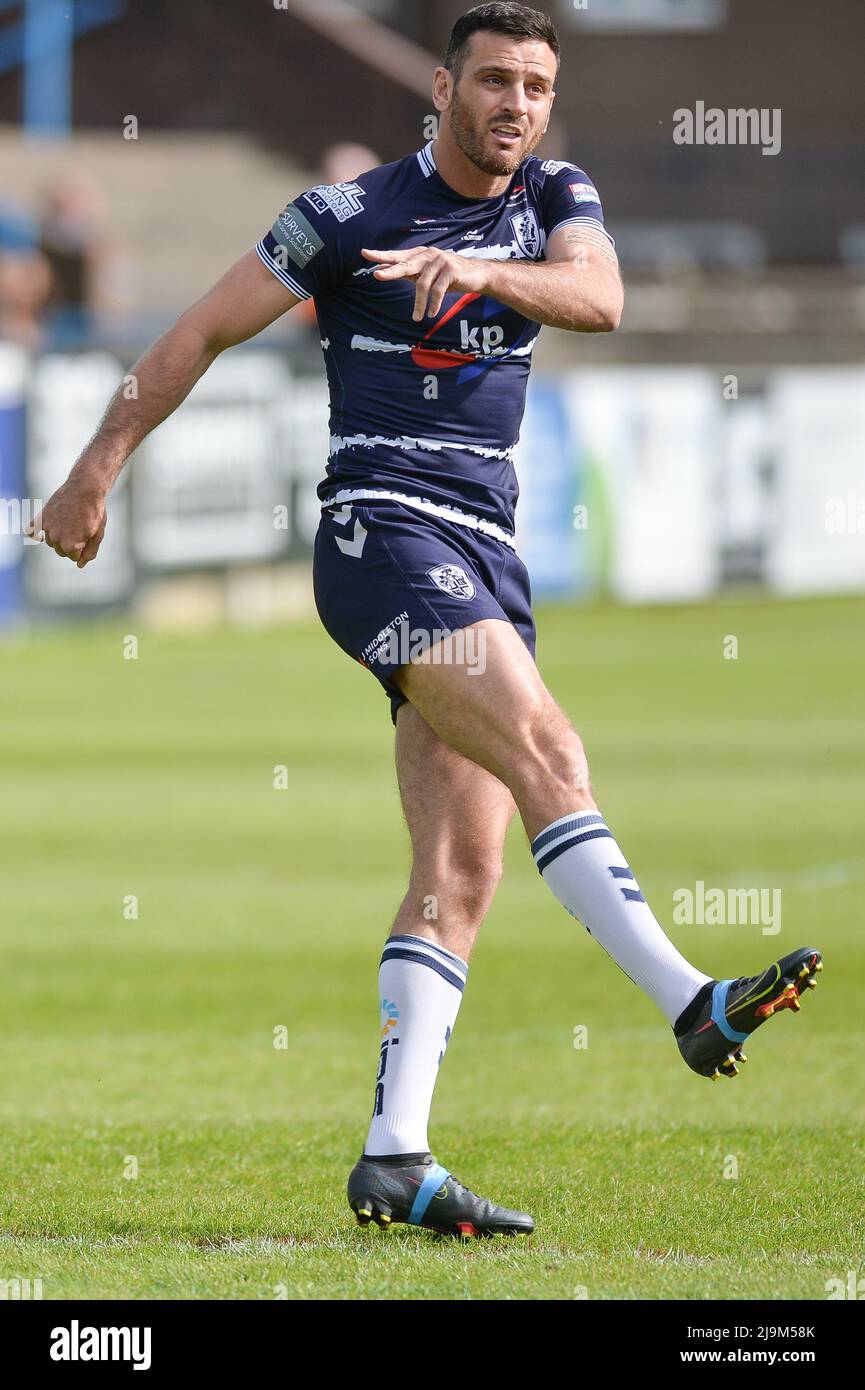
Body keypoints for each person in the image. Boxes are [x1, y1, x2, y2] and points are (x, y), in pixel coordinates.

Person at [28, 2, 822, 1240]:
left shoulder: (557, 194)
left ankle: (395, 1155)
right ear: (442, 88)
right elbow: (197, 331)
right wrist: (94, 465)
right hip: (382, 537)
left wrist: (492, 272)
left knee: (461, 871)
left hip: (486, 552)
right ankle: (687, 999)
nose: (516, 103)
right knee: (551, 749)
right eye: (494, 80)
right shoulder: (348, 219)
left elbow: (601, 298)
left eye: (536, 85)